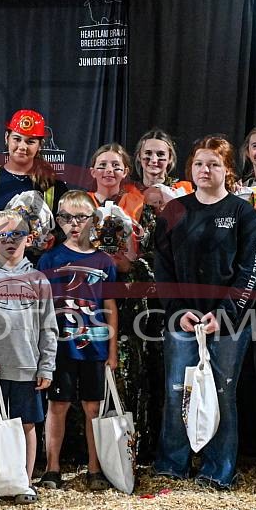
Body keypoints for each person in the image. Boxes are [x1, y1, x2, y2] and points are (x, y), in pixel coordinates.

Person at [152, 136, 256, 491]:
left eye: (214, 164)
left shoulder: (241, 212)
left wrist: (227, 312)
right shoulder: (174, 212)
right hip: (183, 319)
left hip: (230, 320)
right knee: (176, 390)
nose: (206, 170)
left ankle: (219, 469)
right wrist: (177, 310)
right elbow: (162, 267)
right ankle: (173, 463)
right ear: (190, 168)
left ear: (227, 170)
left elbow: (252, 266)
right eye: (199, 163)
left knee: (223, 391)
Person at [0, 209, 57, 504]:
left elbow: (48, 326)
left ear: (29, 238)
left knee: (27, 425)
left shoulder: (38, 279)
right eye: (1, 234)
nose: (9, 240)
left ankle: (23, 483)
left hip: (27, 366)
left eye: (16, 233)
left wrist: (46, 365)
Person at [36, 191, 118, 490]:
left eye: (81, 218)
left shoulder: (104, 261)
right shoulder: (49, 259)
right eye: (67, 218)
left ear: (93, 221)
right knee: (57, 405)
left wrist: (112, 351)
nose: (74, 224)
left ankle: (95, 468)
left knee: (93, 408)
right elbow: (40, 308)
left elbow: (110, 307)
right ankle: (52, 467)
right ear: (58, 221)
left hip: (94, 348)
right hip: (60, 348)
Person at [88, 143, 163, 466]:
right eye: (103, 165)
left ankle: (134, 445)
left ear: (126, 172)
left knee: (131, 370)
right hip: (88, 297)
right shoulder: (80, 205)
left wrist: (130, 258)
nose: (109, 171)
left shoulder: (141, 208)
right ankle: (88, 448)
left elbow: (153, 258)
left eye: (116, 166)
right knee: (89, 365)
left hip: (130, 298)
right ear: (92, 171)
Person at [0, 110, 59, 211]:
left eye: (30, 142)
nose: (22, 146)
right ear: (7, 138)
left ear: (40, 145)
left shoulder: (54, 185)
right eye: (17, 139)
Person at [133, 129, 194, 216]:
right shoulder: (129, 193)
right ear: (139, 156)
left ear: (170, 158)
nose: (154, 160)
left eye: (160, 154)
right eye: (148, 153)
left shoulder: (183, 192)